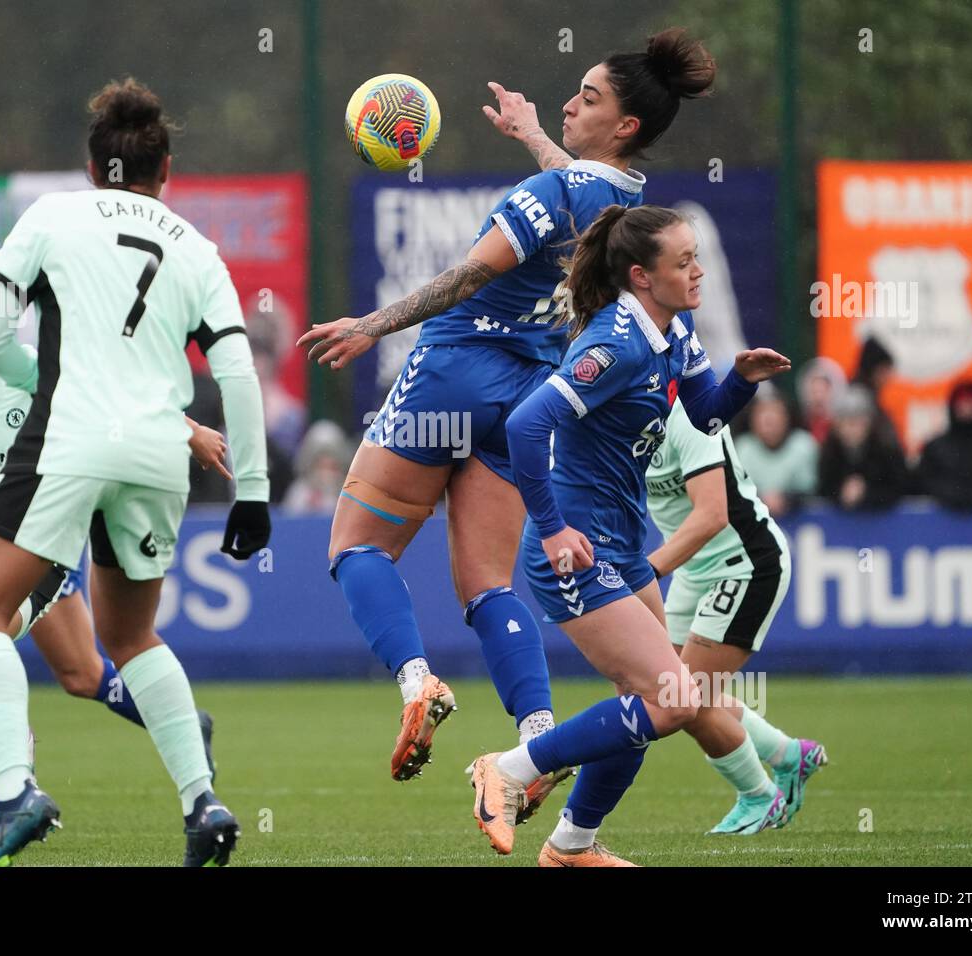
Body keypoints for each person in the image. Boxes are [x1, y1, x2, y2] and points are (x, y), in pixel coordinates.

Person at [297, 29, 717, 796]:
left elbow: (465, 278)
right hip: (528, 393)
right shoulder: (627, 206)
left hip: (453, 372)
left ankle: (417, 681)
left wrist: (370, 325)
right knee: (488, 585)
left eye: (588, 98)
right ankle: (534, 738)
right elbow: (575, 185)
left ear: (624, 125)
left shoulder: (547, 194)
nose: (568, 103)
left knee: (357, 545)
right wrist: (531, 135)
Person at [0, 78, 265, 867]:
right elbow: (239, 374)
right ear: (166, 171)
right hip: (159, 455)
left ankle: (16, 792)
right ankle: (204, 804)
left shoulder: (54, 214)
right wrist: (252, 489)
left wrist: (36, 380)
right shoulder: (197, 248)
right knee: (131, 635)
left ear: (92, 167)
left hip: (68, 442)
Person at [471, 204, 790, 864]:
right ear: (643, 276)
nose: (698, 270)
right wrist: (553, 529)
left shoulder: (675, 330)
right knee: (671, 701)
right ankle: (507, 769)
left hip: (619, 547)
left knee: (644, 706)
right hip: (575, 550)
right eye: (684, 262)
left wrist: (739, 381)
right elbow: (529, 427)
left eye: (697, 256)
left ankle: (572, 845)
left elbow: (701, 415)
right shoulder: (613, 344)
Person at [0, 262, 228, 825]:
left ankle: (18, 797)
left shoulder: (24, 368)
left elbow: (114, 399)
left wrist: (189, 430)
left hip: (35, 544)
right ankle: (143, 730)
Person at [646, 400, 825, 836]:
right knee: (666, 688)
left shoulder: (689, 412)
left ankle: (759, 797)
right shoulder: (625, 411)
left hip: (746, 564)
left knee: (680, 699)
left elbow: (712, 515)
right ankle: (786, 754)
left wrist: (644, 572)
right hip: (694, 569)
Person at [914, 378, 972, 511]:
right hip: (940, 522)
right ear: (952, 406)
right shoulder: (934, 447)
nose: (966, 407)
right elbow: (923, 482)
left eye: (971, 402)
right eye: (962, 402)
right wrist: (949, 494)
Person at [817, 384, 908, 511]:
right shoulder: (829, 452)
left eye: (856, 422)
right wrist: (840, 493)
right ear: (836, 426)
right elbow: (822, 489)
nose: (850, 429)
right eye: (844, 422)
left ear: (869, 422)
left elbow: (901, 488)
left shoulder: (887, 449)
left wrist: (866, 493)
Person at [733, 388, 818, 518]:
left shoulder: (804, 446)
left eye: (775, 412)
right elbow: (735, 493)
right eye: (762, 413)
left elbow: (813, 492)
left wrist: (787, 500)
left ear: (787, 417)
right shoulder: (742, 447)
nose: (769, 419)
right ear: (751, 419)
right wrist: (762, 498)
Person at [796, 356, 846, 445]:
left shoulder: (841, 427)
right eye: (814, 392)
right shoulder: (798, 425)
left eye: (823, 391)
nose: (819, 398)